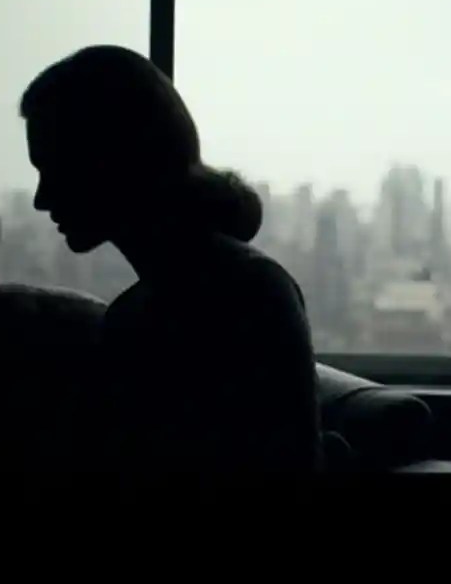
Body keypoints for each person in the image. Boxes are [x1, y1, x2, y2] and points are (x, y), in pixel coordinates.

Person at [20, 44, 321, 474]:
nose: (41, 198)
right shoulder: (233, 291)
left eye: (54, 169)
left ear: (112, 162)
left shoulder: (242, 298)